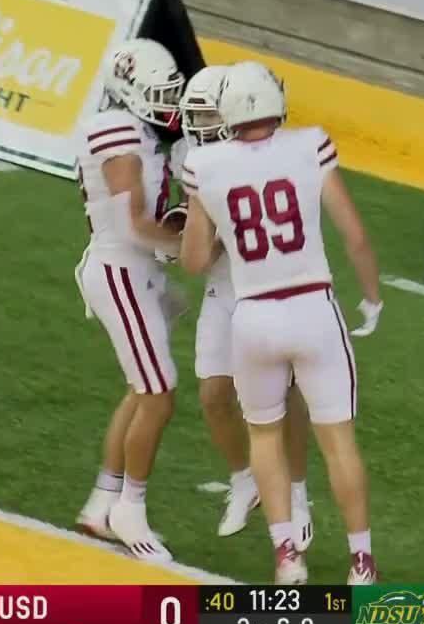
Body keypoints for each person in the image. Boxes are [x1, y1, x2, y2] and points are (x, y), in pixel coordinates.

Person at [179, 61, 384, 585]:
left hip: (253, 317)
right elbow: (355, 235)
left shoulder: (205, 164)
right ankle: (361, 561)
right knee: (337, 440)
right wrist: (371, 299)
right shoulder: (310, 145)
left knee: (264, 437)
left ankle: (287, 556)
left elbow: (196, 261)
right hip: (313, 307)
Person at [177, 66, 314, 549]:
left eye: (210, 113)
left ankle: (296, 492)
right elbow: (200, 253)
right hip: (225, 285)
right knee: (214, 394)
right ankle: (245, 479)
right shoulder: (191, 157)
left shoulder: (272, 155)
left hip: (274, 283)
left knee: (284, 395)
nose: (203, 125)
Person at [73, 38, 186, 563]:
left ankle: (102, 502)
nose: (168, 105)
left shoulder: (133, 129)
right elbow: (134, 224)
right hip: (121, 267)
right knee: (160, 395)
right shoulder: (116, 131)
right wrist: (192, 248)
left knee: (143, 391)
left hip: (134, 269)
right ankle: (129, 510)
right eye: (159, 94)